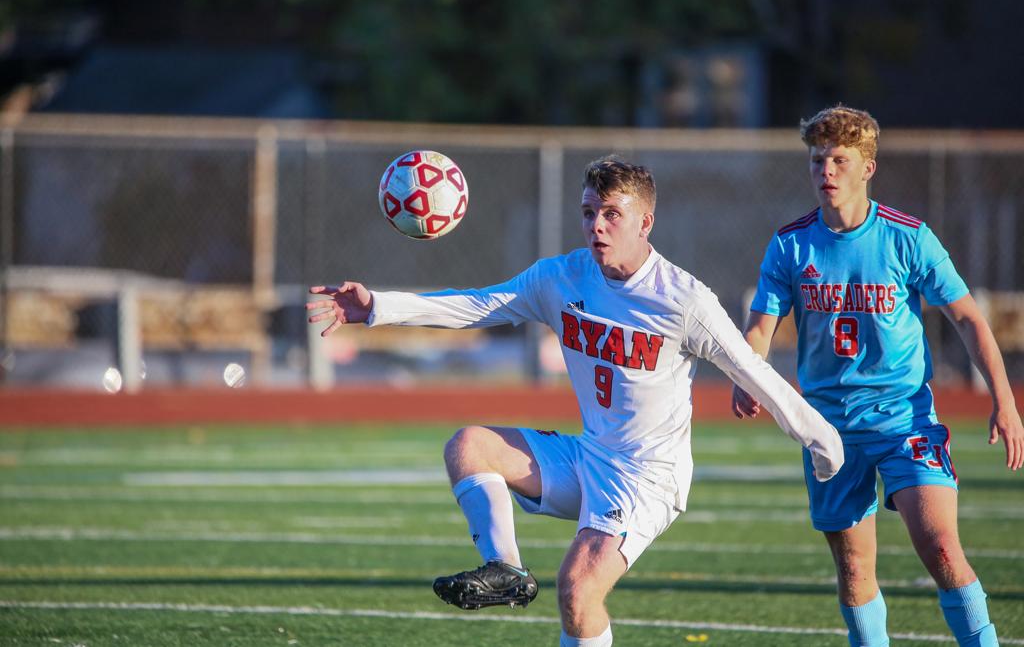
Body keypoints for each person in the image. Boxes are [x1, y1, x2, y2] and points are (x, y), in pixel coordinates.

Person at [308, 157, 844, 647]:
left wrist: (825, 444)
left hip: (648, 478)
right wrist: (376, 306)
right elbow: (477, 306)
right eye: (589, 213)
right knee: (470, 446)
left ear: (645, 223)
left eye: (612, 214)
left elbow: (753, 371)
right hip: (590, 458)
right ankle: (506, 569)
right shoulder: (559, 278)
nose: (597, 227)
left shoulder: (683, 299)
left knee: (578, 589)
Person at [731, 105, 1024, 647]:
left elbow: (968, 319)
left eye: (840, 160)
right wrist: (747, 373)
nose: (827, 171)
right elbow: (760, 329)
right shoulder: (791, 244)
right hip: (827, 431)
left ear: (868, 167)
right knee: (853, 570)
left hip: (904, 420)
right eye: (818, 160)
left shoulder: (909, 238)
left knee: (939, 547)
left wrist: (1004, 402)